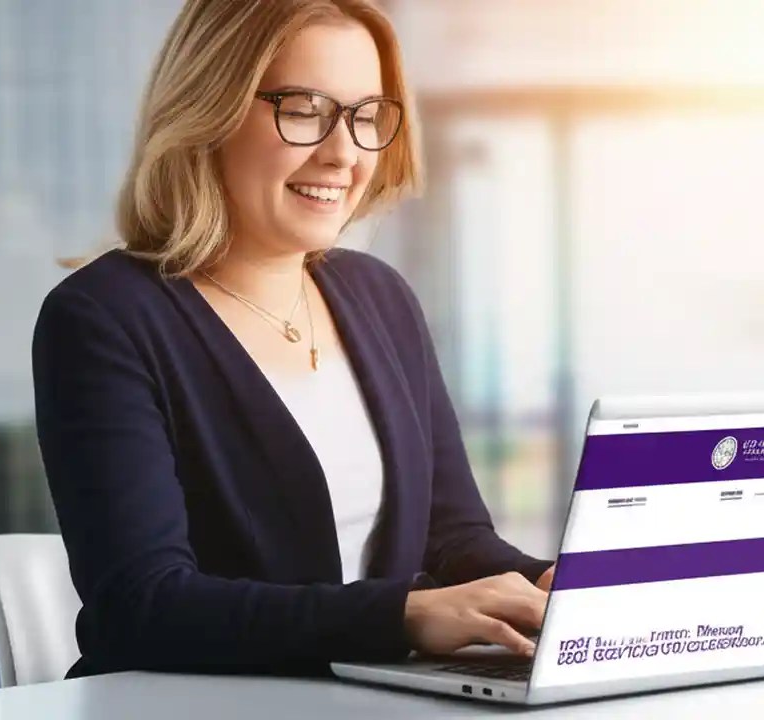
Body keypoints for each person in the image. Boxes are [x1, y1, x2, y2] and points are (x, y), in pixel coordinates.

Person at [32, 0, 553, 680]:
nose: (344, 153)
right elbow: (142, 605)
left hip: (368, 699)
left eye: (367, 116)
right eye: (306, 109)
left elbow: (452, 539)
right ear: (209, 109)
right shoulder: (105, 317)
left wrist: (554, 587)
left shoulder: (380, 296)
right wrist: (403, 615)